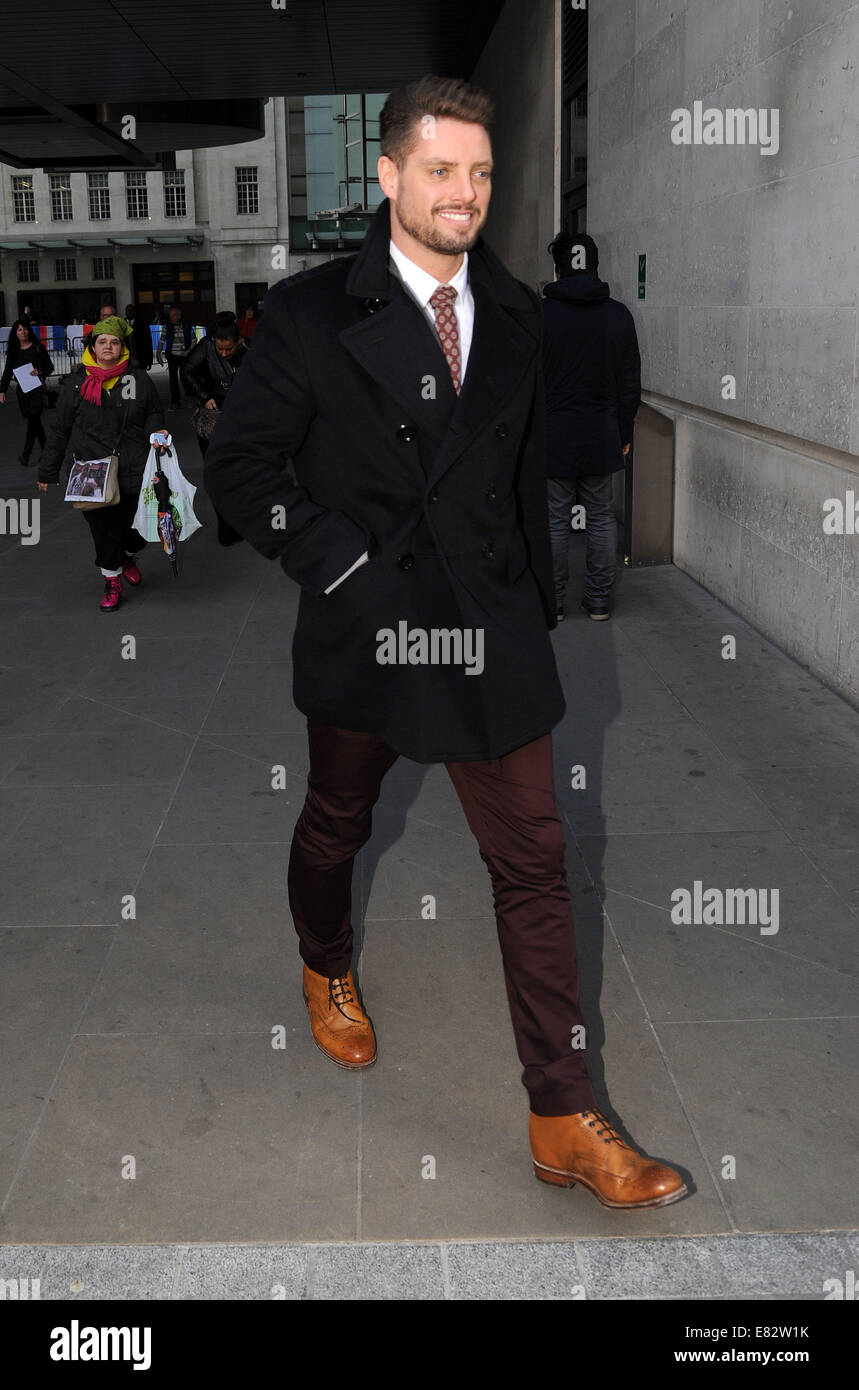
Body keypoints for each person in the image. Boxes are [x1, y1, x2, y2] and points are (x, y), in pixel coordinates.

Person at [204, 76, 685, 1210]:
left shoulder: (513, 314)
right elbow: (240, 469)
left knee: (534, 862)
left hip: (488, 635)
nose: (463, 193)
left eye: (478, 172)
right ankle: (326, 965)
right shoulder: (314, 312)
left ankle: (563, 1111)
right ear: (387, 176)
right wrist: (346, 567)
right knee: (337, 821)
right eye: (440, 171)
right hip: (370, 630)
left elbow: (518, 479)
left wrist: (535, 614)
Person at [37, 316, 169, 612]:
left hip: (135, 465)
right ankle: (112, 579)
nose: (108, 346)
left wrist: (156, 429)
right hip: (93, 470)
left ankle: (126, 555)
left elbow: (153, 412)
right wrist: (48, 469)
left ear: (122, 347)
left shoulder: (137, 378)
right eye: (102, 342)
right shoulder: (75, 384)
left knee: (141, 527)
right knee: (104, 529)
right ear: (93, 347)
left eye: (114, 342)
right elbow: (60, 430)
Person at [542, 232, 641, 621]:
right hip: (602, 432)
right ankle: (599, 600)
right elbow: (630, 384)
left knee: (553, 519)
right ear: (594, 264)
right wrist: (625, 433)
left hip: (554, 435)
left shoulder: (541, 315)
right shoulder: (618, 315)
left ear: (559, 267)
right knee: (600, 516)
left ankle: (553, 601)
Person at [181, 312, 247, 545]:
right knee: (218, 473)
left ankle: (239, 522)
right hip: (212, 420)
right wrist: (204, 395)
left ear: (238, 342)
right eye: (220, 349)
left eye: (228, 349)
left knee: (240, 473)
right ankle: (227, 528)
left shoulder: (247, 350)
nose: (224, 353)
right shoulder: (206, 346)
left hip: (240, 421)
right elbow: (186, 371)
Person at [0, 318, 54, 466]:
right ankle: (47, 451)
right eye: (19, 330)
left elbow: (50, 367)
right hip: (22, 391)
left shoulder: (37, 348)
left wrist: (40, 371)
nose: (23, 332)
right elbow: (7, 372)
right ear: (15, 333)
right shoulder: (13, 352)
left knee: (33, 419)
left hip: (36, 389)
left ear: (29, 331)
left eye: (25, 329)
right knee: (35, 422)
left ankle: (26, 454)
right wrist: (2, 391)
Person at [156, 305, 196, 408]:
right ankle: (175, 401)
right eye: (172, 315)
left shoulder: (187, 326)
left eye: (176, 315)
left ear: (180, 315)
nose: (175, 317)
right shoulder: (167, 327)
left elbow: (194, 340)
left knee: (186, 377)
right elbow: (161, 341)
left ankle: (190, 397)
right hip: (172, 356)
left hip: (185, 356)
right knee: (173, 379)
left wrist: (189, 350)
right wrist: (159, 355)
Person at [125, 302, 154, 371]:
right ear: (125, 312)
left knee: (141, 379)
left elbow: (148, 343)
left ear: (134, 312)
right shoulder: (121, 324)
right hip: (126, 360)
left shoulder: (143, 324)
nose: (130, 312)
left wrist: (149, 361)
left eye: (131, 310)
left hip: (140, 358)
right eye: (128, 311)